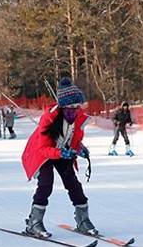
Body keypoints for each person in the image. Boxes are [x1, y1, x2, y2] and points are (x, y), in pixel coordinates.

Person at [22, 77, 97, 238]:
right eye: (71, 107)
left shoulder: (78, 118)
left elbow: (74, 140)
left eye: (78, 106)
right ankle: (34, 222)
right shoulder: (49, 119)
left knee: (73, 183)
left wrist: (80, 149)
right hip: (43, 154)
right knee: (45, 184)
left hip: (62, 152)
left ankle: (83, 219)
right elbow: (43, 148)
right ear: (63, 106)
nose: (75, 110)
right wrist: (61, 153)